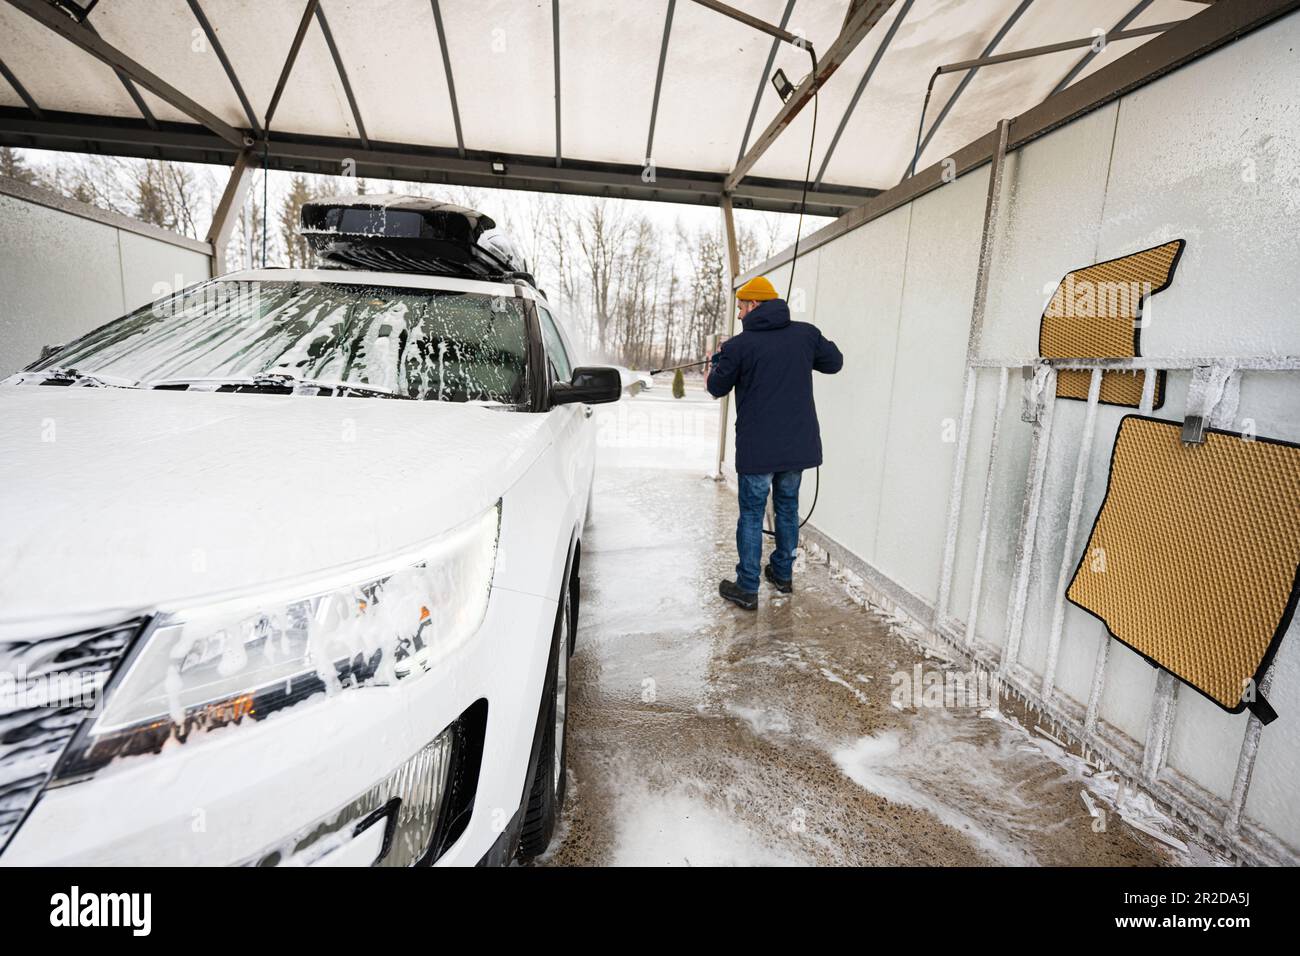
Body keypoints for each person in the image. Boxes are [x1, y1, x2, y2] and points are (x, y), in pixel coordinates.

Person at [706, 275, 843, 610]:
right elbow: (834, 362)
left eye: (740, 307)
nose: (739, 315)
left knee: (752, 515)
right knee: (787, 509)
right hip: (797, 447)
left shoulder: (739, 346)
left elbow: (715, 387)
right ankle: (782, 575)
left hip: (758, 450)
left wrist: (717, 360)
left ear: (753, 304)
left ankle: (748, 587)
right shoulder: (805, 334)